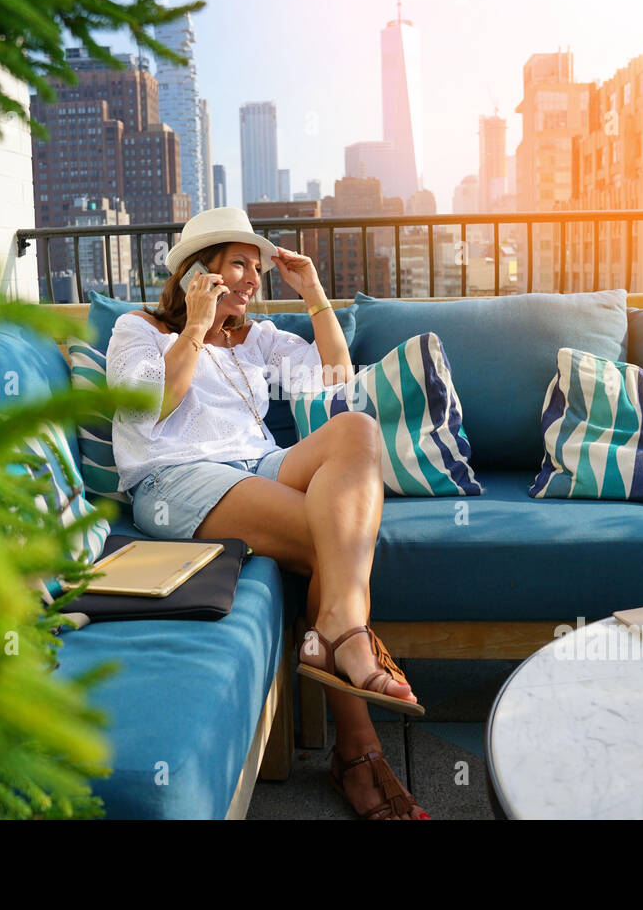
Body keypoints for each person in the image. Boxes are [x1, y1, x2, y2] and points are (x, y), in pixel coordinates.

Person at [105, 207, 429, 819]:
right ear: (200, 273)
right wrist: (197, 324)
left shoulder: (257, 339)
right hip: (179, 477)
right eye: (239, 265)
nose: (253, 278)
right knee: (329, 540)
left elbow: (337, 376)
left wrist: (313, 294)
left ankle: (335, 630)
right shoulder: (138, 329)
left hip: (259, 464)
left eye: (258, 267)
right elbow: (152, 404)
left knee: (355, 429)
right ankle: (358, 746)